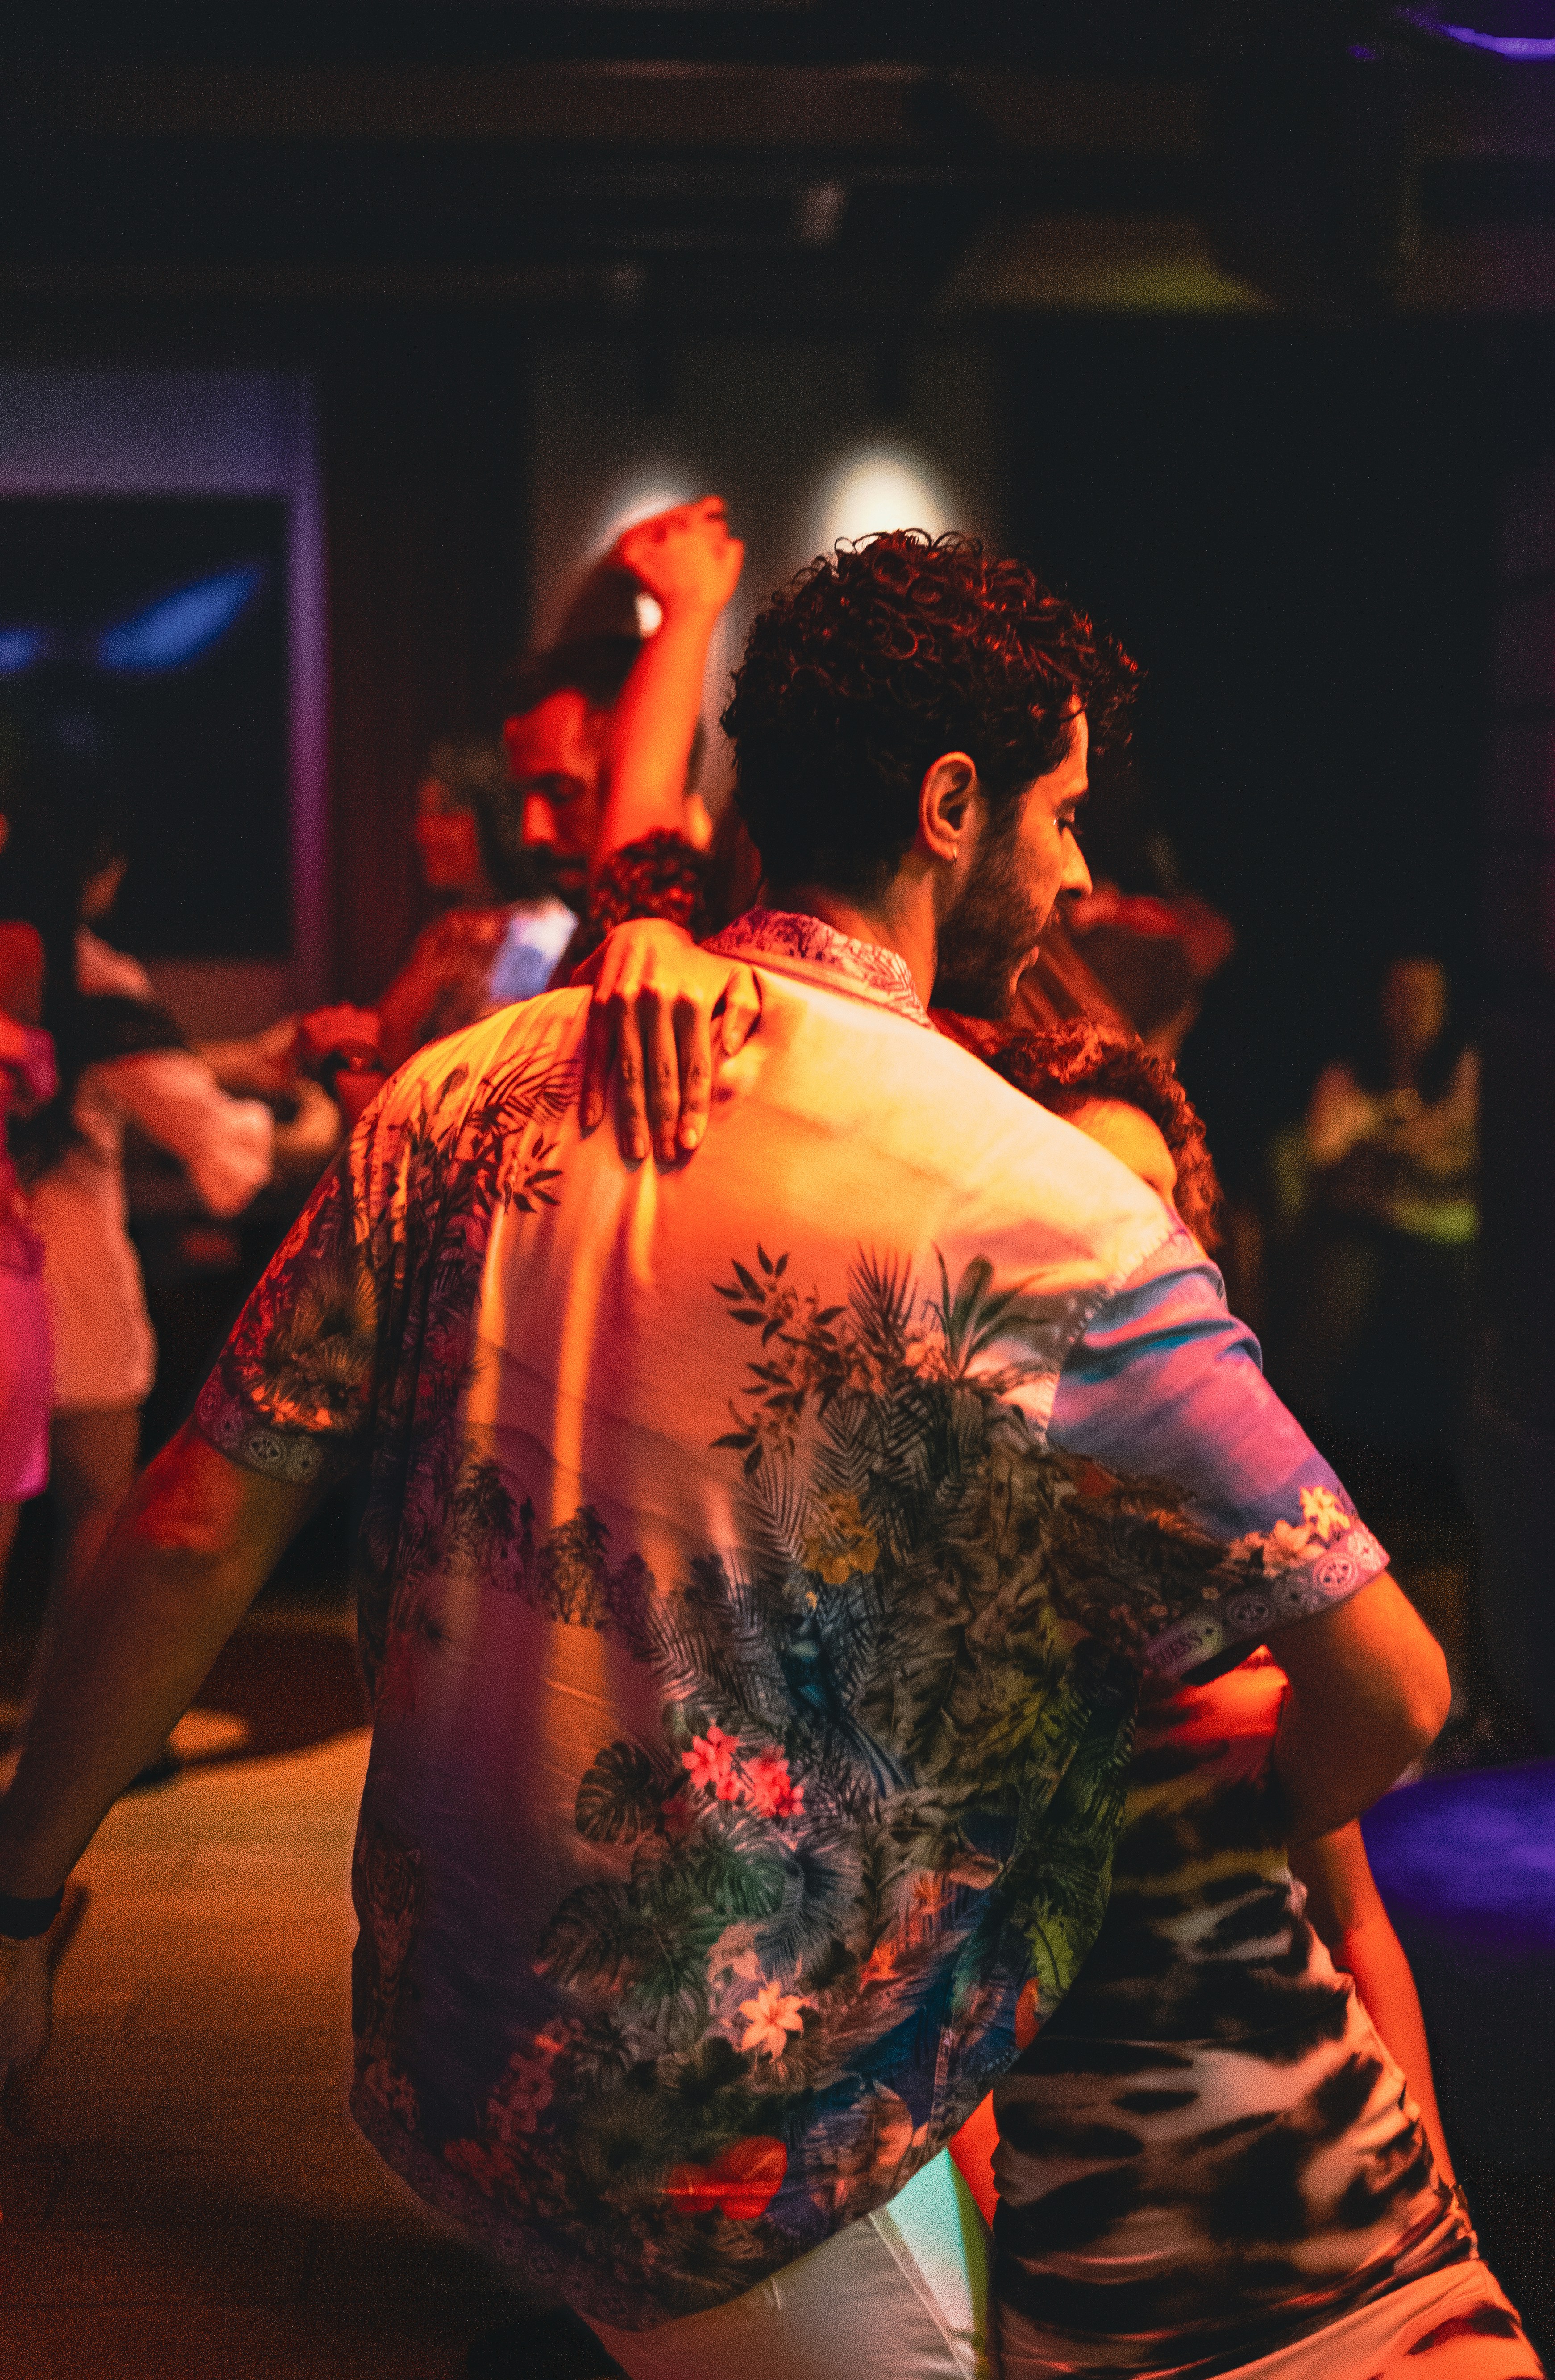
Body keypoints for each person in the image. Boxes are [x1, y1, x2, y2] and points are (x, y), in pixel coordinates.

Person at [0, 532, 1447, 2380]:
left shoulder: (460, 1093)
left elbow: (195, 1523)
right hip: (765, 2177)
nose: (1081, 861)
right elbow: (1393, 1689)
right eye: (1063, 810)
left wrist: (21, 1891)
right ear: (949, 806)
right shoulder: (1057, 1217)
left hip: (451, 2071)